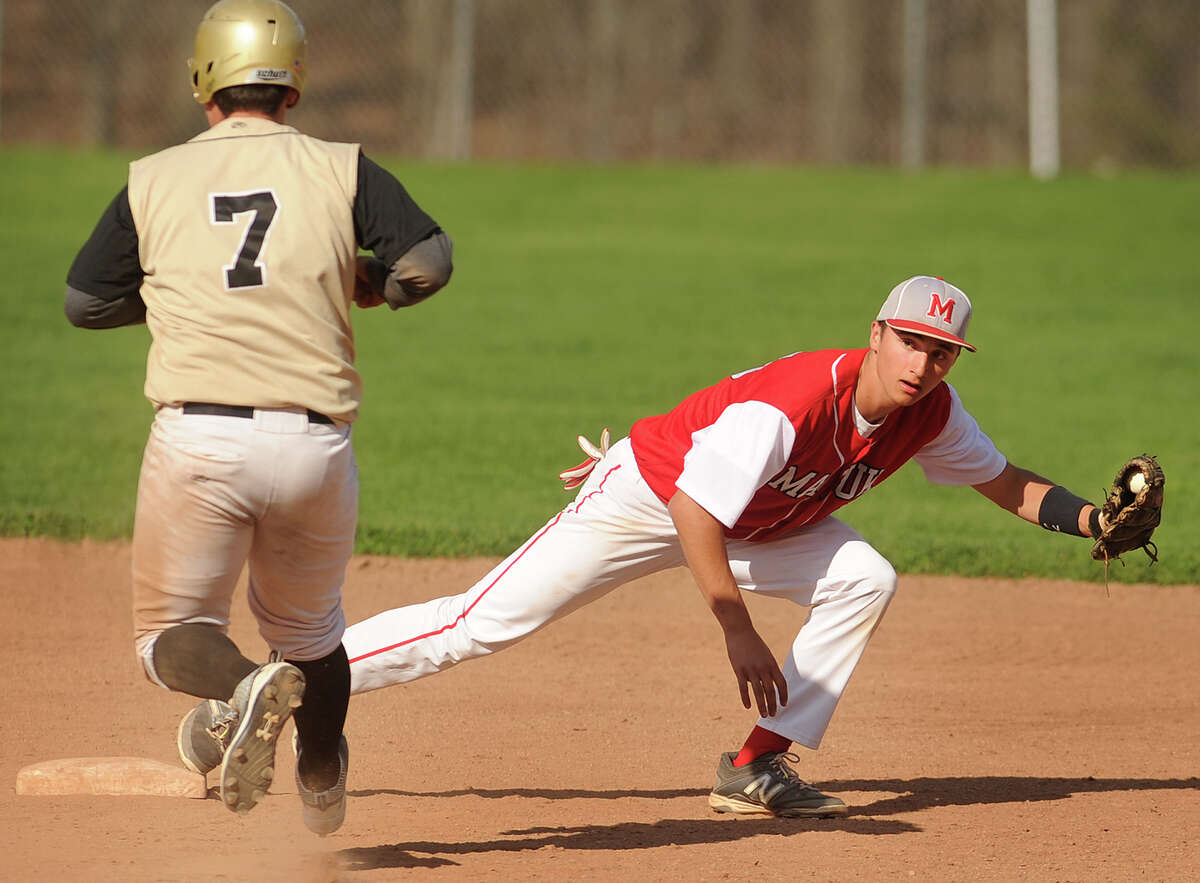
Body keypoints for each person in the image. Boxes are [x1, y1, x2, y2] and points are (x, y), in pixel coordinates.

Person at [339, 275, 1111, 819]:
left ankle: (754, 765)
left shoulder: (932, 412)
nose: (922, 364)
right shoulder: (798, 400)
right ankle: (303, 675)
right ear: (876, 334)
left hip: (754, 521)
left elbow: (1006, 481)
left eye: (941, 352)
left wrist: (1094, 523)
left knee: (865, 577)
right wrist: (737, 627)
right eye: (910, 341)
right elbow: (694, 506)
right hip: (652, 495)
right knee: (481, 624)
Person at [63, 0, 452, 835]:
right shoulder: (342, 168)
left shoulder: (153, 177)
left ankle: (241, 688)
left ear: (205, 82)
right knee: (312, 632)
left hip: (198, 440)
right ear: (292, 86)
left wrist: (181, 295)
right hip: (315, 442)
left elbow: (84, 302)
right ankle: (321, 774)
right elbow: (427, 263)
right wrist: (369, 281)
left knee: (169, 636)